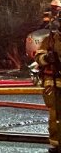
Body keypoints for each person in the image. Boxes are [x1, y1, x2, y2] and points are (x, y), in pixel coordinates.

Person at [37, 24, 61, 153]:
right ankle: (56, 145)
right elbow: (38, 57)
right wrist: (46, 58)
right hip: (53, 83)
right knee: (55, 115)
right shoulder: (50, 40)